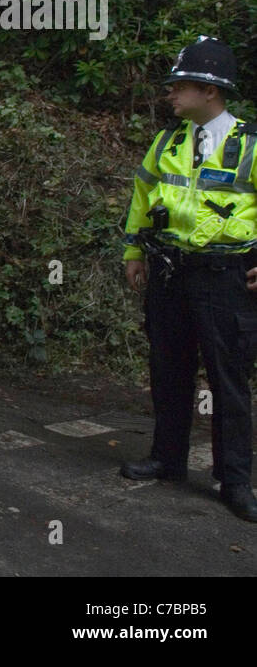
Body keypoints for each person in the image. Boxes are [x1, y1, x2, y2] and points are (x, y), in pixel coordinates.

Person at [121, 36, 257, 522]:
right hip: (169, 272)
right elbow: (142, 198)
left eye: (179, 86)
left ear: (210, 91)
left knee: (229, 380)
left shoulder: (250, 145)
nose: (170, 95)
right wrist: (135, 251)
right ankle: (168, 458)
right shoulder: (168, 141)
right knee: (168, 369)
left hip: (226, 278)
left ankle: (235, 480)